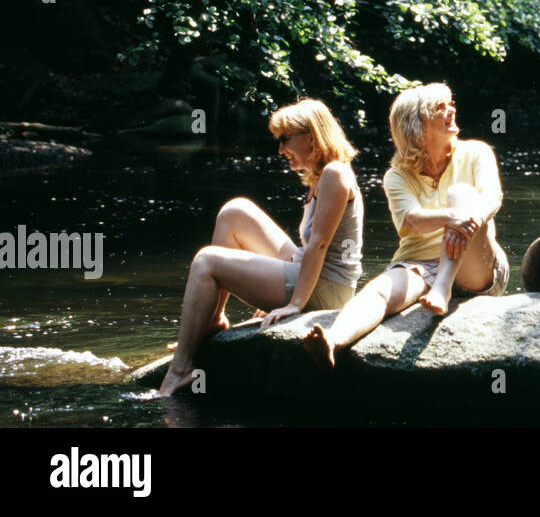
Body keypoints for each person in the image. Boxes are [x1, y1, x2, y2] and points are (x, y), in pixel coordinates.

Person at [158, 98, 363, 396]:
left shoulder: (335, 174)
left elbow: (319, 245)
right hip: (313, 271)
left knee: (207, 261)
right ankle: (213, 320)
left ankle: (180, 370)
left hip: (328, 287)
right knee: (235, 211)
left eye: (285, 140)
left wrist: (295, 304)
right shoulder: (323, 176)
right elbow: (313, 247)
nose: (280, 150)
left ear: (311, 136)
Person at [303, 82, 508, 368]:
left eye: (450, 103)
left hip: (476, 267)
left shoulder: (477, 152)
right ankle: (332, 341)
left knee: (460, 194)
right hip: (419, 264)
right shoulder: (396, 175)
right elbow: (412, 219)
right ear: (418, 125)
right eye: (440, 107)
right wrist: (451, 217)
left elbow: (492, 196)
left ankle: (443, 287)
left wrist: (474, 216)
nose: (452, 110)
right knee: (379, 291)